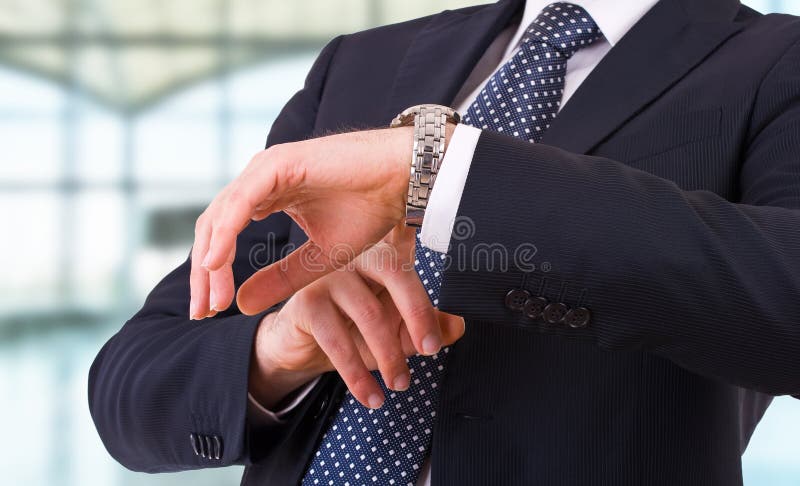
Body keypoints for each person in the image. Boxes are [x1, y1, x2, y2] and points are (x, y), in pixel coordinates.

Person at [88, 0, 800, 484]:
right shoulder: (360, 64)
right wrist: (278, 348)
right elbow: (130, 385)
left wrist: (435, 167)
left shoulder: (774, 63)